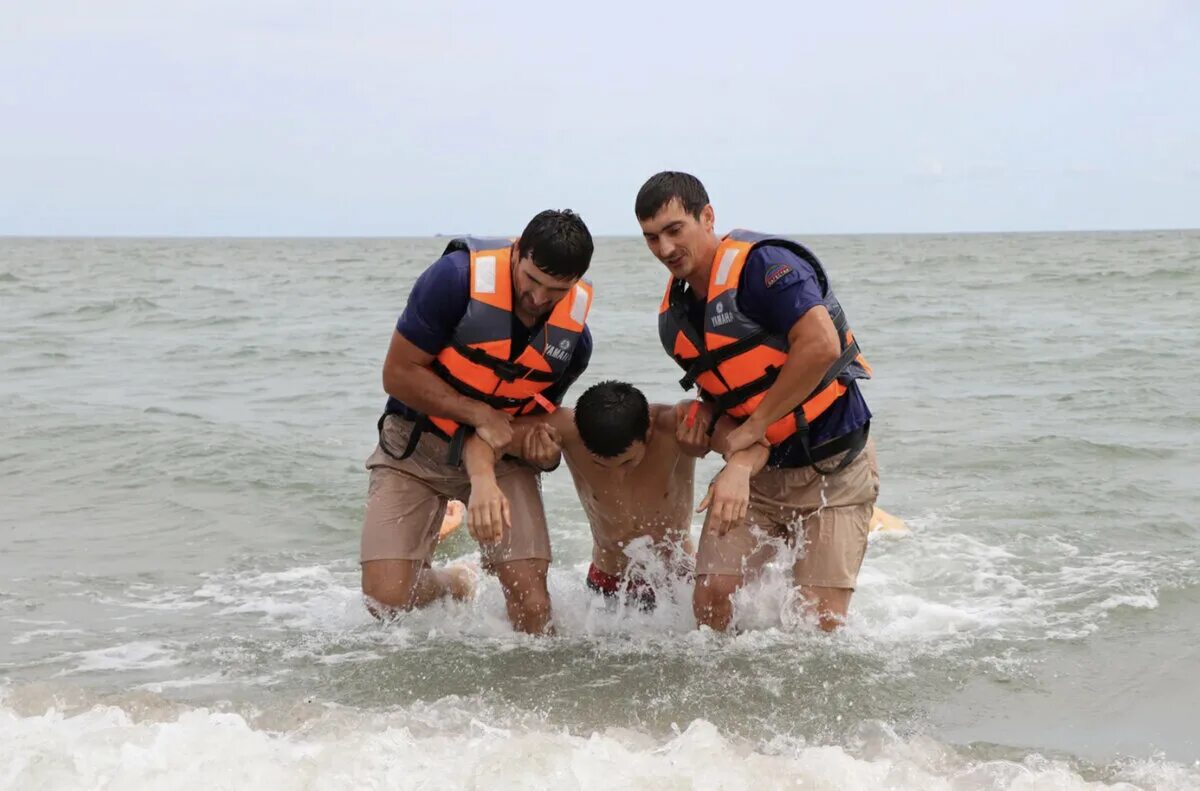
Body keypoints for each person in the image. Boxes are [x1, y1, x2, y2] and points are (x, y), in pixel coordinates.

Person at [635, 171, 880, 632]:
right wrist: (707, 415)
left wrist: (753, 427)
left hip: (835, 466)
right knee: (709, 603)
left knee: (817, 626)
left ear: (707, 217)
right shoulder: (677, 313)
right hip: (761, 476)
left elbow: (820, 344)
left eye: (674, 230)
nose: (664, 249)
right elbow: (730, 389)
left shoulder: (765, 267)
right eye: (651, 238)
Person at [359, 209, 595, 634]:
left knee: (533, 610)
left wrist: (544, 455)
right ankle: (456, 580)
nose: (539, 299)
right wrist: (479, 414)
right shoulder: (453, 279)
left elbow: (531, 420)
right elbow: (397, 374)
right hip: (418, 445)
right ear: (517, 252)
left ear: (575, 283)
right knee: (385, 600)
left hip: (500, 458)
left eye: (556, 290)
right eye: (532, 280)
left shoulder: (574, 344)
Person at [463, 381, 764, 610]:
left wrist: (737, 469)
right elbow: (484, 438)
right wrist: (483, 481)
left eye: (628, 462)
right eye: (600, 465)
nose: (618, 474)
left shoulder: (677, 426)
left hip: (678, 581)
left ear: (646, 434)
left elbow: (755, 441)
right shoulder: (564, 429)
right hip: (606, 582)